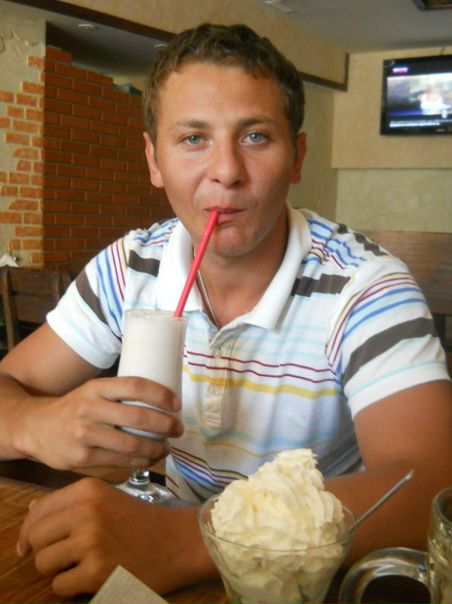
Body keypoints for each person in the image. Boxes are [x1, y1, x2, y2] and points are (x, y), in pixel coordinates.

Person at [0, 23, 450, 598]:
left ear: (297, 157)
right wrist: (36, 423)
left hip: (312, 579)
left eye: (256, 136)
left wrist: (185, 541)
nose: (227, 170)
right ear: (154, 160)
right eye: (193, 138)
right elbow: (10, 385)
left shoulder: (365, 286)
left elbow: (428, 487)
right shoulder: (131, 267)